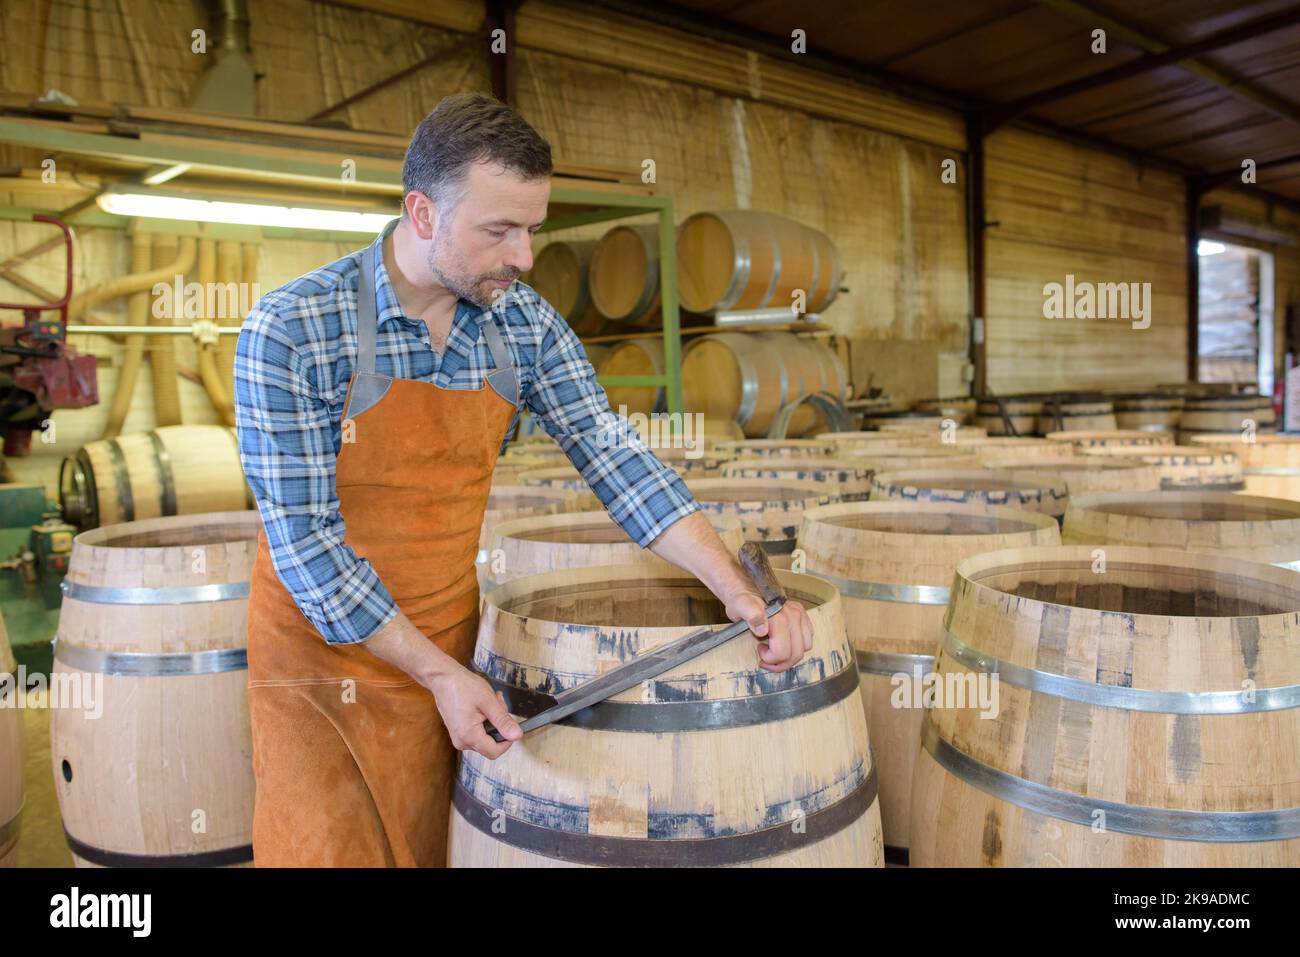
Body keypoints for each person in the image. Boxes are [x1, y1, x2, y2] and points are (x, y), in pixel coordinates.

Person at [233, 92, 814, 867]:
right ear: (423, 212)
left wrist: (735, 588)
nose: (525, 256)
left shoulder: (524, 325)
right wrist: (438, 676)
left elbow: (617, 458)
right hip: (317, 666)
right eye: (500, 230)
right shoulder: (293, 330)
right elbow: (306, 546)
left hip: (450, 648)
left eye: (532, 229)